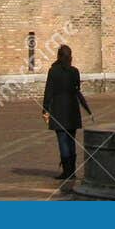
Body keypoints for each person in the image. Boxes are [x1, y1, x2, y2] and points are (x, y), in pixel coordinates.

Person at [40, 44, 92, 181]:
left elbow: (48, 91)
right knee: (71, 140)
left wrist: (45, 108)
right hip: (72, 110)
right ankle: (72, 171)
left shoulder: (53, 71)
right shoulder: (75, 71)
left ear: (58, 56)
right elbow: (77, 89)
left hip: (58, 110)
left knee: (62, 141)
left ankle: (66, 171)